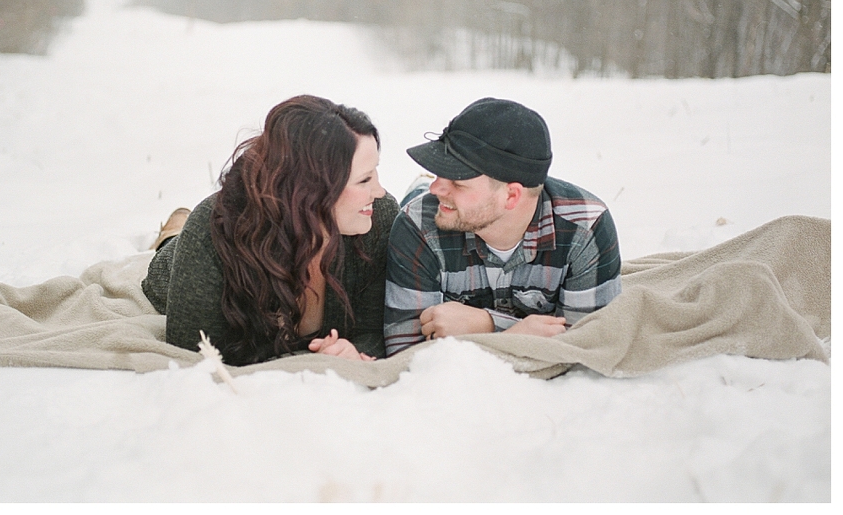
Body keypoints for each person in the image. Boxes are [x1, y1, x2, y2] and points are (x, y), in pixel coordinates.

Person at [142, 95, 399, 366]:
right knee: (175, 244)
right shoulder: (210, 232)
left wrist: (351, 351)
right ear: (311, 189)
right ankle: (173, 231)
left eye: (375, 173)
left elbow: (375, 330)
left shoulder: (378, 218)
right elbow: (194, 353)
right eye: (364, 180)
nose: (379, 191)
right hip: (176, 265)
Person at [383, 97, 621, 356]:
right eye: (438, 174)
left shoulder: (584, 226)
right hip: (439, 218)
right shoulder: (415, 225)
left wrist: (490, 326)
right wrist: (522, 335)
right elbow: (405, 356)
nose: (436, 187)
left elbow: (589, 348)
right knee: (419, 202)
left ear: (511, 196)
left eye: (458, 182)